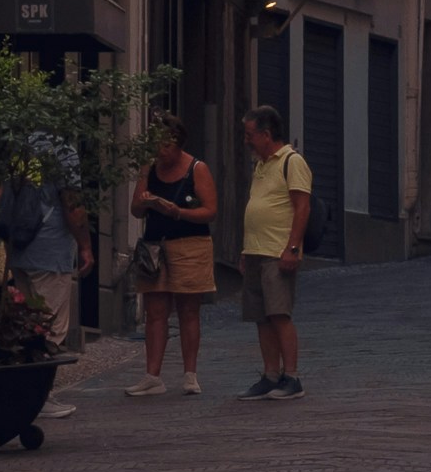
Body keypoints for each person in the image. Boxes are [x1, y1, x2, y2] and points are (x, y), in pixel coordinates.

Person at [129, 108, 218, 391]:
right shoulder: (150, 168)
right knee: (155, 311)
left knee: (188, 310)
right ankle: (152, 376)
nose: (161, 151)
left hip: (190, 244)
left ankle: (190, 374)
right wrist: (148, 199)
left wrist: (177, 211)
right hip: (156, 246)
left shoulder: (197, 169)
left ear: (178, 144)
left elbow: (210, 211)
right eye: (157, 145)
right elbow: (135, 210)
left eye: (166, 145)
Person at [235, 100, 314, 393]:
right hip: (256, 250)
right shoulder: (261, 165)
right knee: (260, 316)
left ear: (266, 134)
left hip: (277, 251)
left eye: (250, 134)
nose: (247, 140)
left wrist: (292, 248)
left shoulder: (292, 162)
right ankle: (270, 375)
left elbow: (302, 207)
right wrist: (245, 251)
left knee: (279, 314)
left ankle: (291, 376)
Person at [0, 133, 83, 351]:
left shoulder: (17, 143)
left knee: (25, 324)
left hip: (19, 248)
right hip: (51, 251)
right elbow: (73, 205)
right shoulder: (62, 149)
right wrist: (86, 247)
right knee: (49, 330)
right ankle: (44, 378)